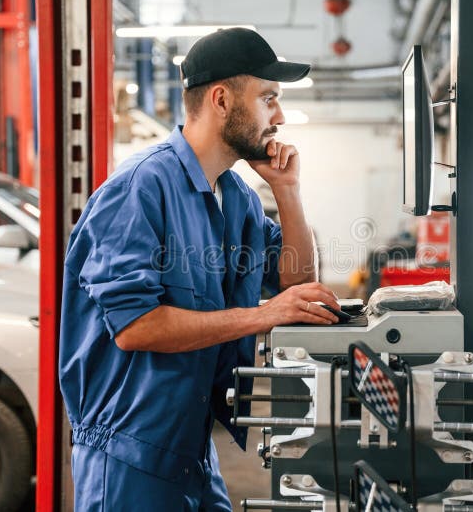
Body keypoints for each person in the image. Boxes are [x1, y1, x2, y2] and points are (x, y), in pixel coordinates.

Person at [59, 27, 342, 510]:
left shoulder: (237, 200)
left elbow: (298, 283)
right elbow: (135, 327)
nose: (278, 115)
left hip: (192, 449)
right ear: (221, 100)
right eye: (268, 98)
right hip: (130, 454)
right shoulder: (141, 188)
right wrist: (265, 314)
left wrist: (288, 193)